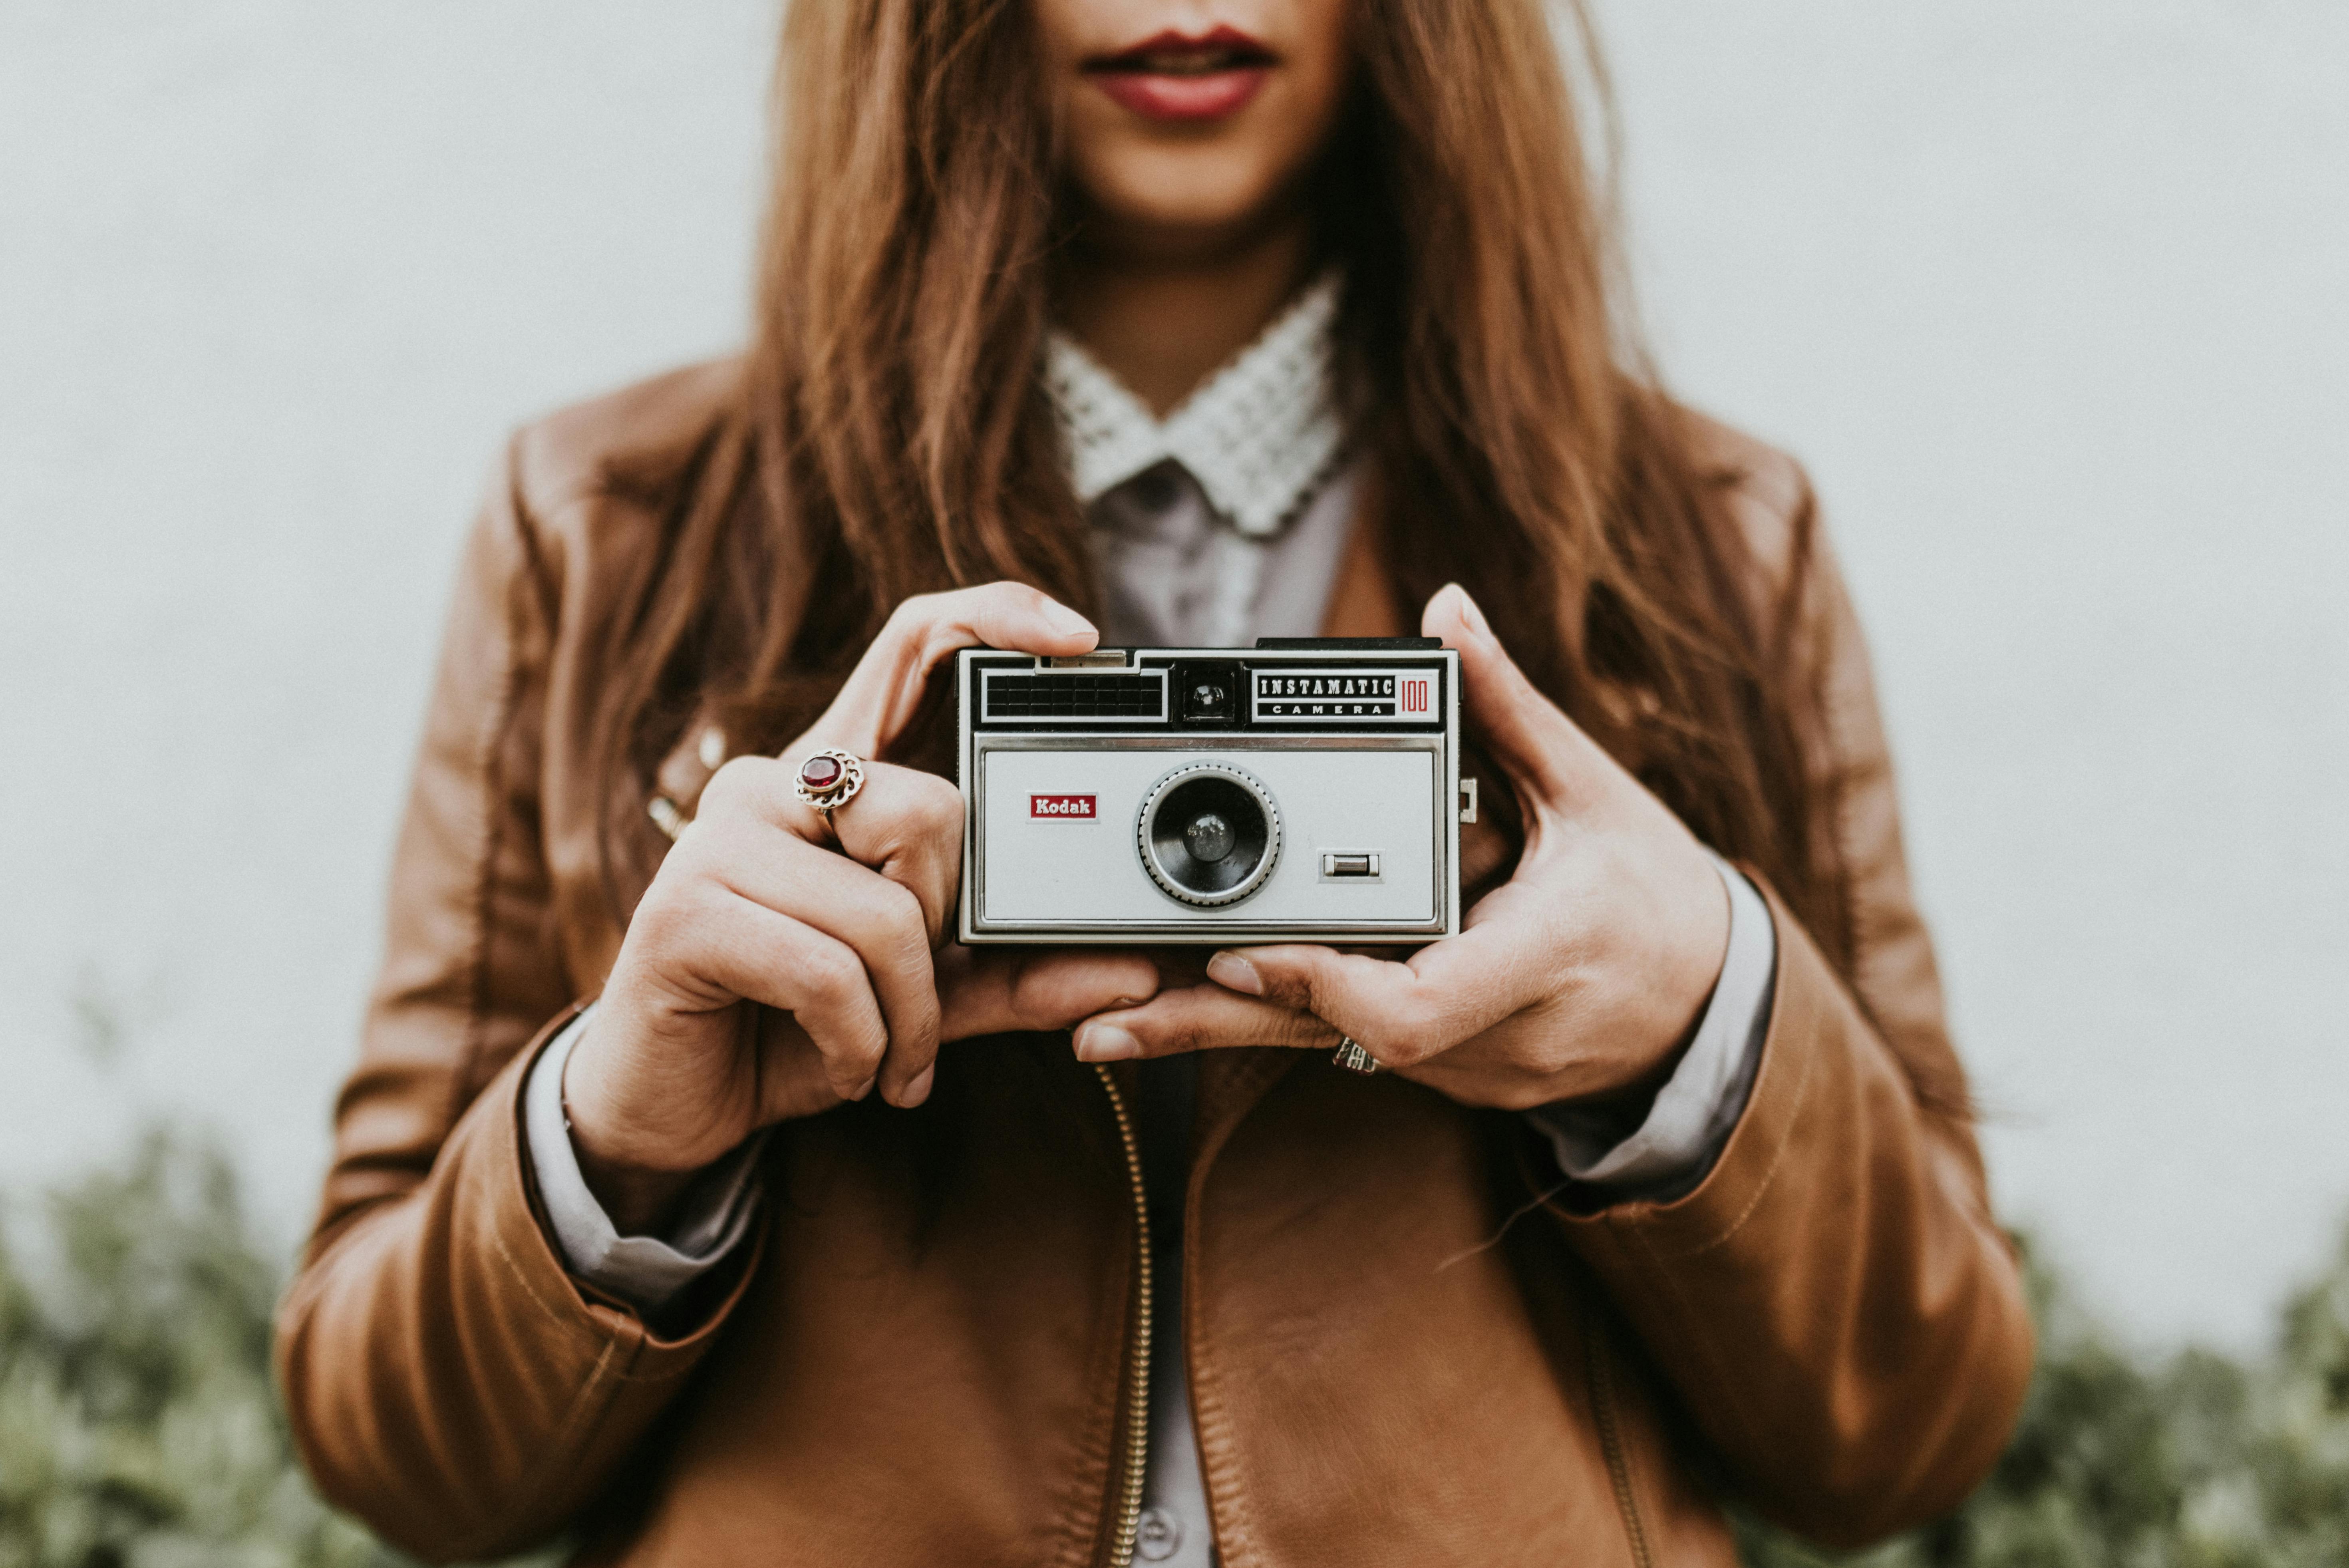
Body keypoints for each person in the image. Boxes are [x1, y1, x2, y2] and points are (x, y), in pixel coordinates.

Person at [275, 1, 2033, 1562]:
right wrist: (618, 1137)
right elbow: (397, 1455)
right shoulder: (605, 532)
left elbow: (1913, 1429)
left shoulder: (1712, 546)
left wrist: (1701, 1020)